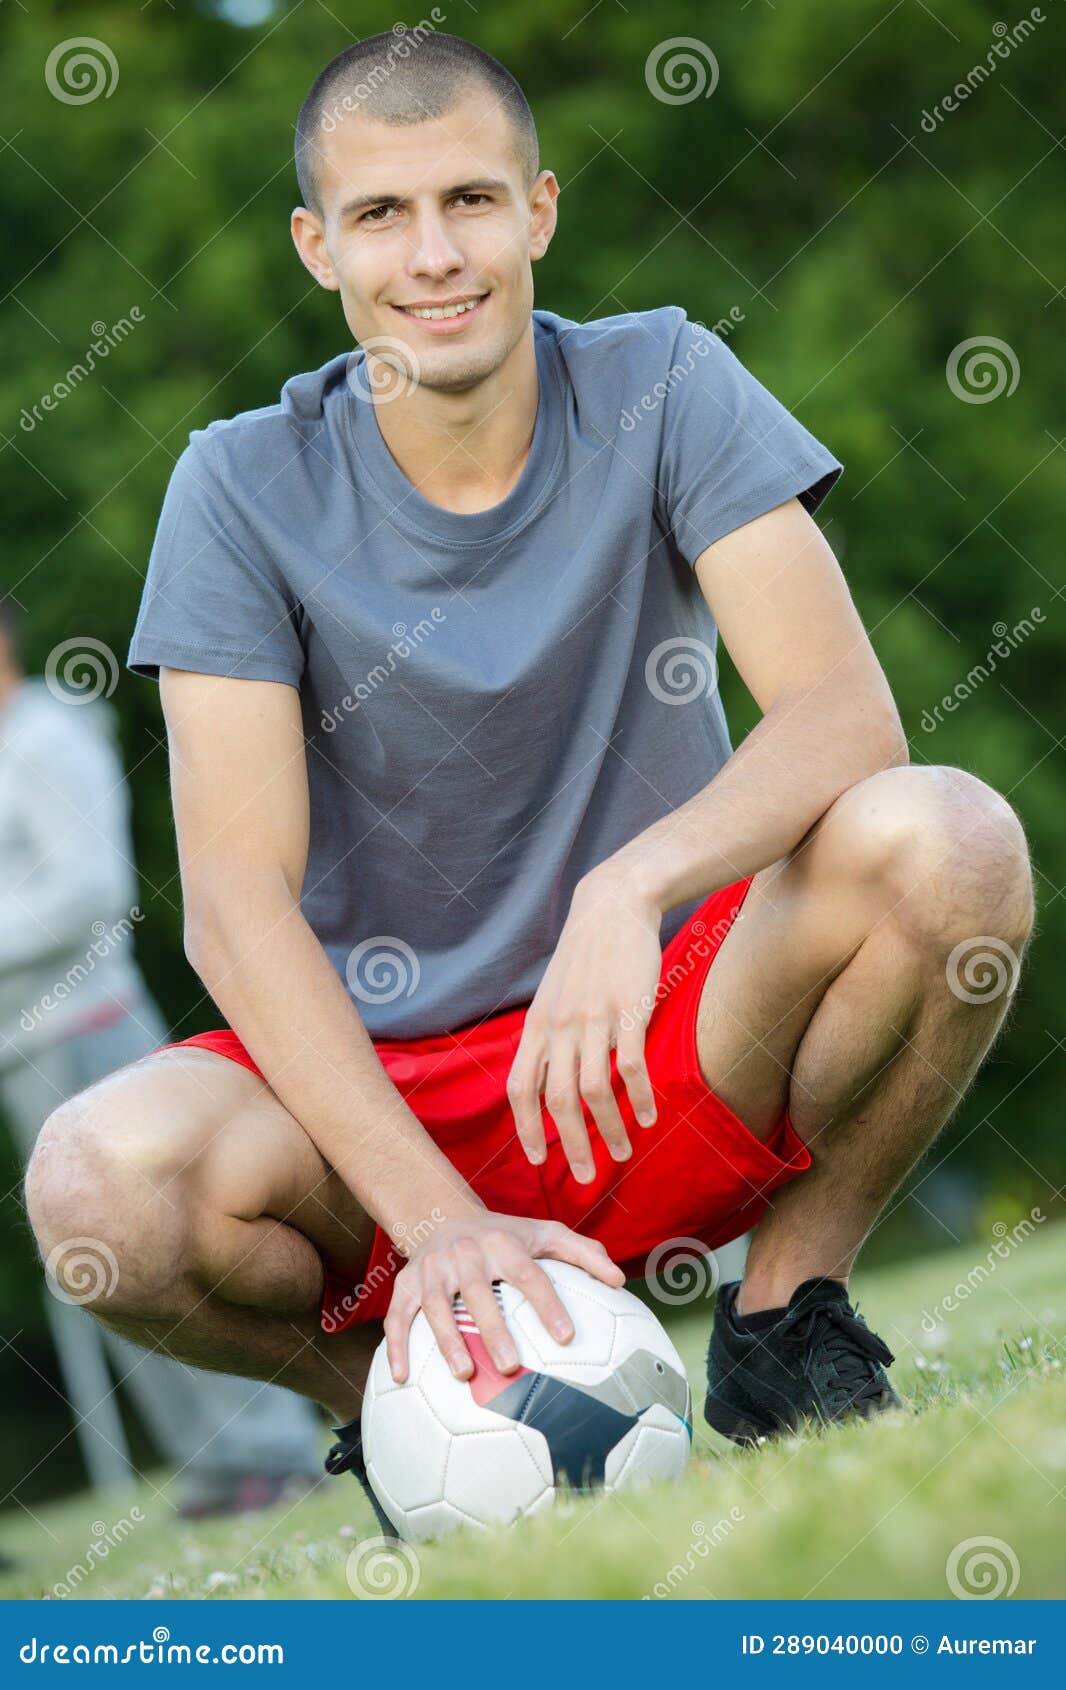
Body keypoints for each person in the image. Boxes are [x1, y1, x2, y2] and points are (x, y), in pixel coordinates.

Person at [23, 30, 1035, 1532]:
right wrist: (431, 1218)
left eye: (470, 202)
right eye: (380, 216)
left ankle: (785, 1314)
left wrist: (627, 888)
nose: (434, 255)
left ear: (539, 211)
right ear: (317, 247)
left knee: (949, 839)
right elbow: (234, 907)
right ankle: (417, 1394)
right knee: (95, 1183)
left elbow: (841, 718)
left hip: (653, 1033)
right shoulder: (236, 484)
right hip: (381, 1106)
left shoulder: (666, 380)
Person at [0, 604, 323, 1517]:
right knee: (96, 1263)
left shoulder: (49, 741)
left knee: (141, 1234)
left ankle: (267, 1451)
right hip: (24, 1041)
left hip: (83, 1027)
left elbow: (89, 888)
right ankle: (223, 1464)